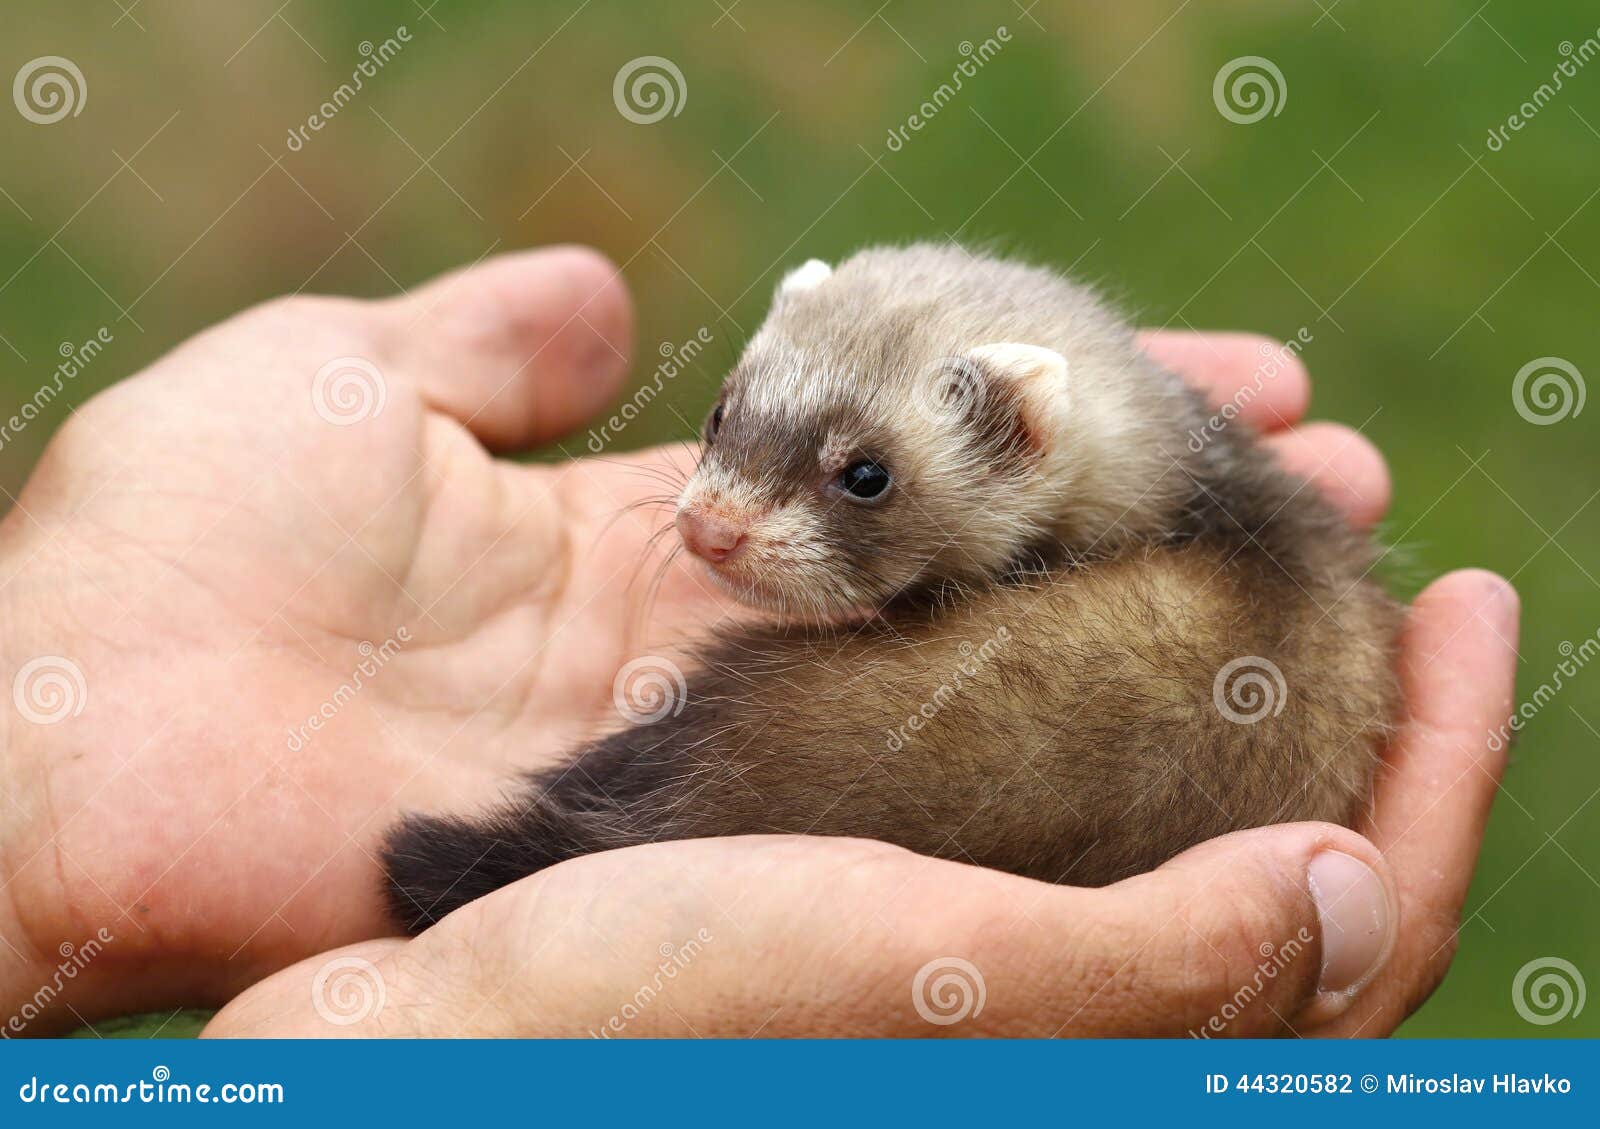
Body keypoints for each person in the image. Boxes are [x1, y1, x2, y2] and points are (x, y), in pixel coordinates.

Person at [0, 247, 1517, 1037]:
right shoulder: (1200, 558)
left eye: (858, 481)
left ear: (1021, 438)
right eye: (732, 423)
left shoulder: (1194, 583)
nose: (719, 516)